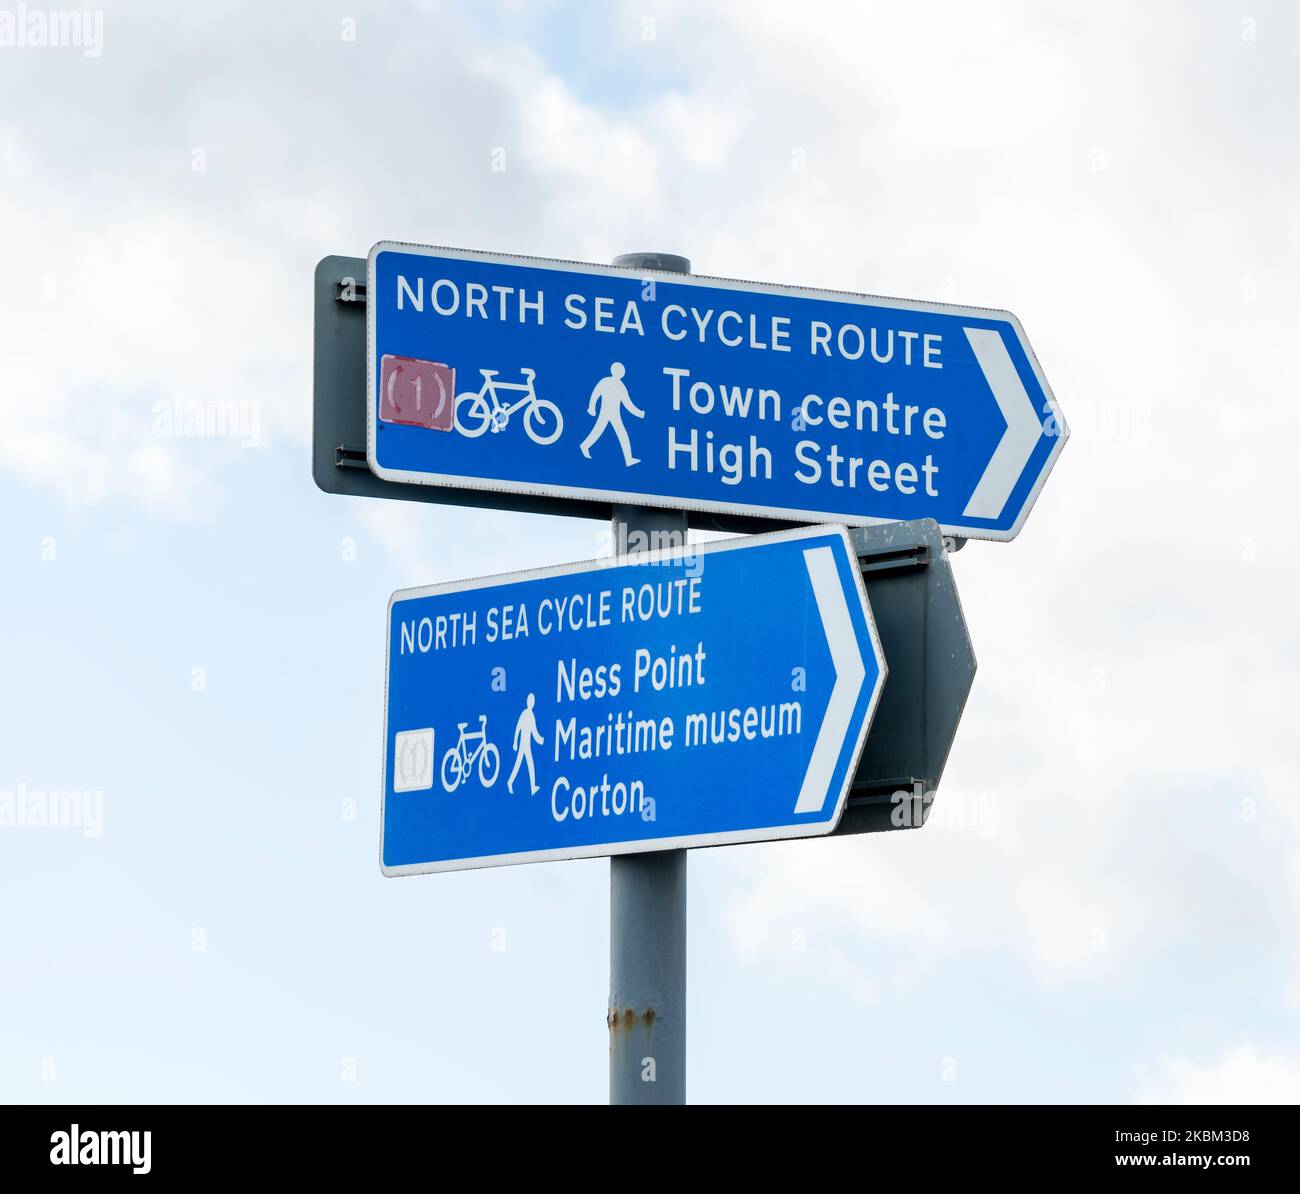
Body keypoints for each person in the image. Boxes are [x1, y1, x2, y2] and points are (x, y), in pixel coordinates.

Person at [579, 362, 643, 466]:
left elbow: (627, 403)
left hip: (613, 414)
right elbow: (596, 393)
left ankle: (585, 445)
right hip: (607, 412)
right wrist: (591, 407)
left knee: (603, 431)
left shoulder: (619, 385)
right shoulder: (607, 382)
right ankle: (628, 459)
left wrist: (639, 413)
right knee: (617, 433)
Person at [508, 693, 543, 795]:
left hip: (526, 745)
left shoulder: (528, 714)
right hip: (524, 745)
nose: (531, 703)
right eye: (530, 701)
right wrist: (515, 742)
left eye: (532, 701)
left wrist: (540, 740)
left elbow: (533, 731)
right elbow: (519, 728)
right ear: (529, 702)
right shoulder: (527, 714)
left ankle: (531, 787)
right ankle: (511, 782)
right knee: (522, 764)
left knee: (523, 764)